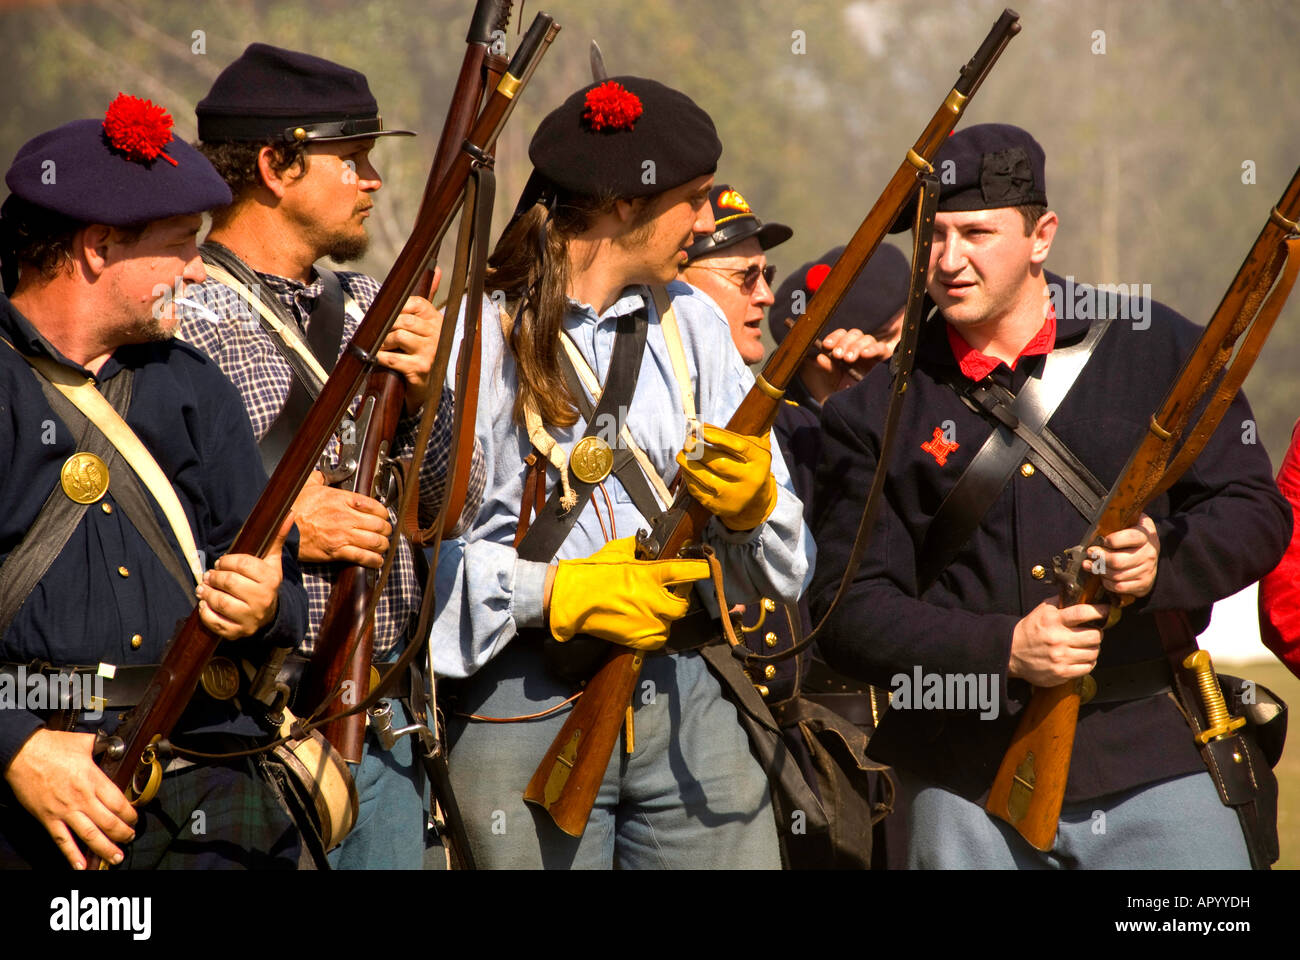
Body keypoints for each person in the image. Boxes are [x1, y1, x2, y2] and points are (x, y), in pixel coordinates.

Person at [809, 123, 1291, 869]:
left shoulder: (1159, 348)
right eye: (933, 237)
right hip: (958, 765)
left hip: (1149, 747)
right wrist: (1003, 650)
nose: (949, 259)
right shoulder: (873, 410)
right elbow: (847, 612)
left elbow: (1254, 512)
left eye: (976, 232)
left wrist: (1162, 562)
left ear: (1042, 236)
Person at [431, 76, 812, 869]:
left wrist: (755, 511)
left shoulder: (696, 325)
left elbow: (788, 567)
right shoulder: (475, 336)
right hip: (522, 699)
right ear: (627, 204)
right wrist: (554, 593)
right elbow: (420, 571)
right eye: (695, 199)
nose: (708, 223)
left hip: (690, 685)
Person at [174, 43, 485, 870]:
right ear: (277, 164)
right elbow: (156, 511)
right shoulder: (182, 315)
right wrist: (280, 524)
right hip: (246, 722)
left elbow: (455, 505)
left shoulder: (365, 313)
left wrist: (426, 399)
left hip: (377, 713)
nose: (374, 182)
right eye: (352, 160)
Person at [0, 95, 309, 869]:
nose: (200, 271)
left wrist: (267, 601)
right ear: (100, 246)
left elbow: (283, 581)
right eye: (179, 246)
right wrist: (19, 750)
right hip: (37, 785)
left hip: (202, 761)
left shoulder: (194, 389)